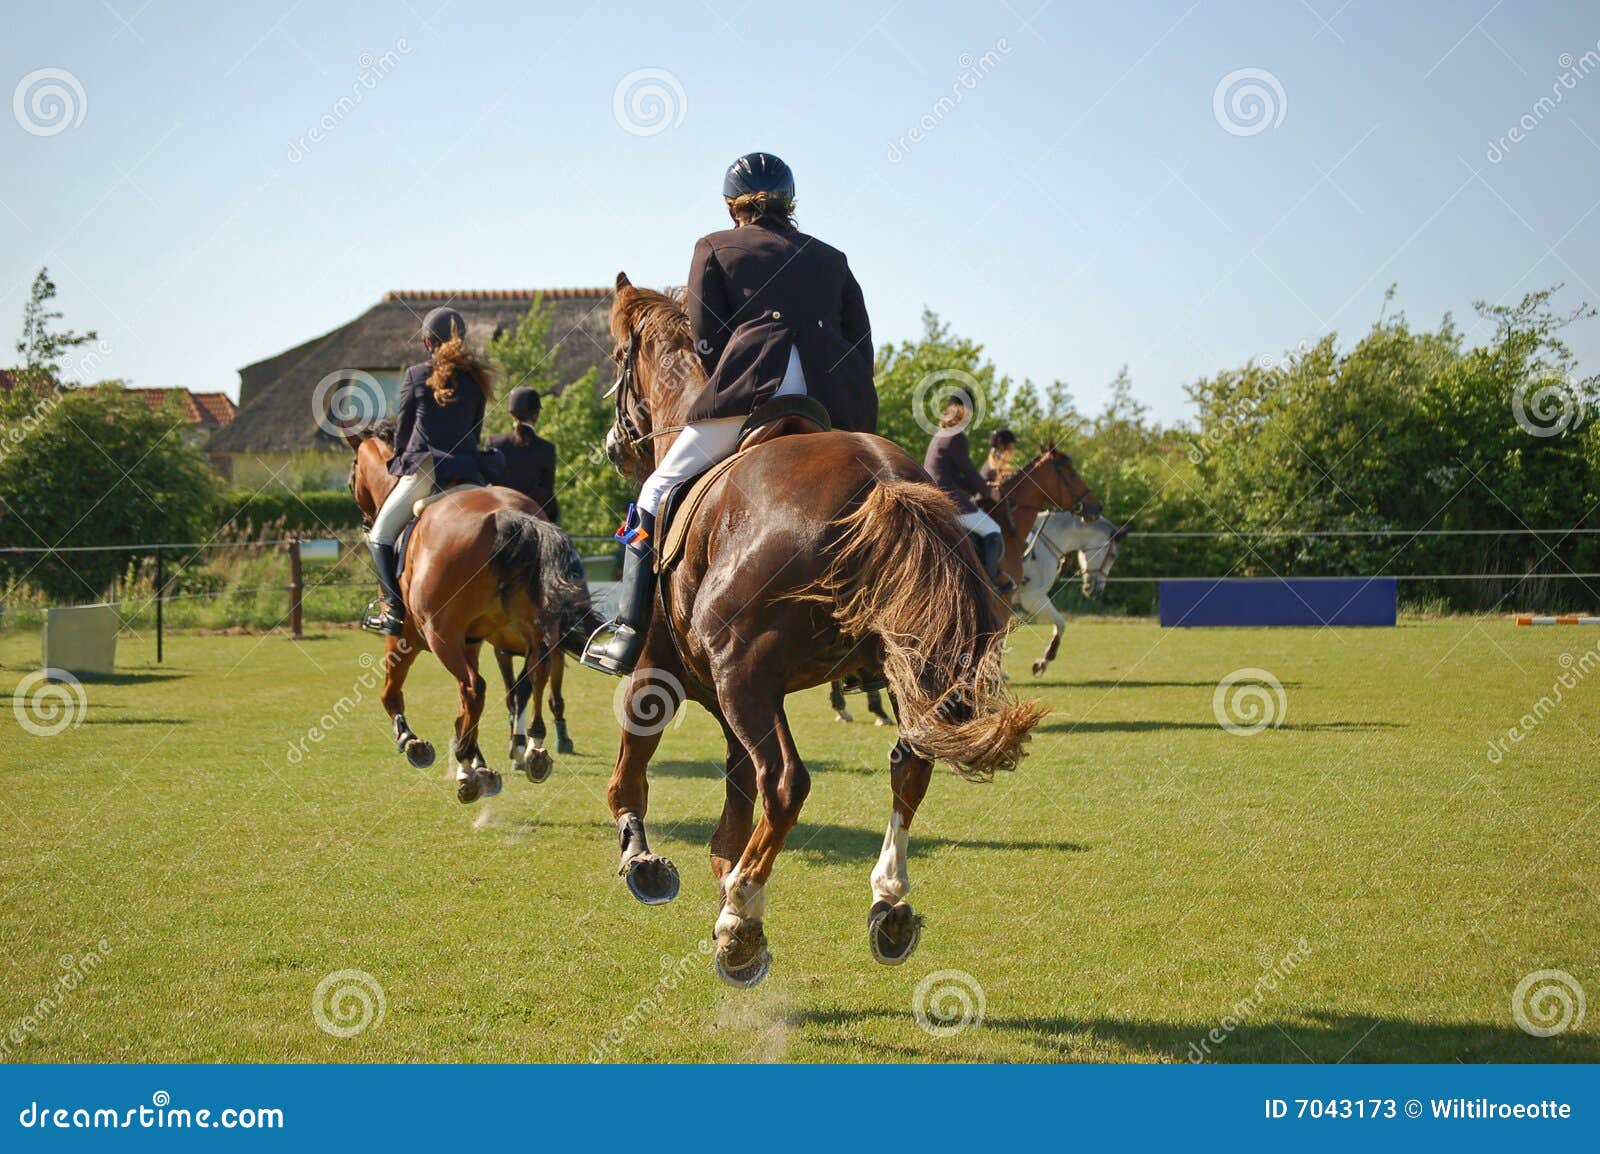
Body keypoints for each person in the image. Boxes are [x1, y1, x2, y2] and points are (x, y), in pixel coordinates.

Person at [582, 150, 876, 676]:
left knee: (654, 492)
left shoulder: (713, 247)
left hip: (749, 398)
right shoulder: (833, 257)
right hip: (831, 404)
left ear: (730, 205)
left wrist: (735, 376)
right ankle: (875, 639)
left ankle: (628, 631)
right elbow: (861, 343)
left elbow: (706, 341)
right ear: (790, 201)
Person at [365, 306, 493, 636]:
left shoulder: (415, 374)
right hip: (469, 472)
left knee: (379, 535)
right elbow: (475, 432)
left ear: (427, 342)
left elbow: (405, 430)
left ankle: (392, 612)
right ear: (460, 340)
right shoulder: (477, 380)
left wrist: (398, 462)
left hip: (426, 470)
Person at [923, 392, 1012, 593]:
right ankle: (990, 586)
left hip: (935, 495)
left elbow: (957, 476)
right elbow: (970, 471)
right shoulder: (956, 436)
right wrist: (989, 493)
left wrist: (984, 488)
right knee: (993, 530)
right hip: (948, 500)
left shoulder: (940, 435)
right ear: (964, 411)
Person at [486, 386, 559, 522]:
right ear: (536, 415)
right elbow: (547, 492)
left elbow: (490, 485)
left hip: (501, 517)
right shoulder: (547, 449)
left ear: (511, 415)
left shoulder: (494, 443)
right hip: (534, 519)